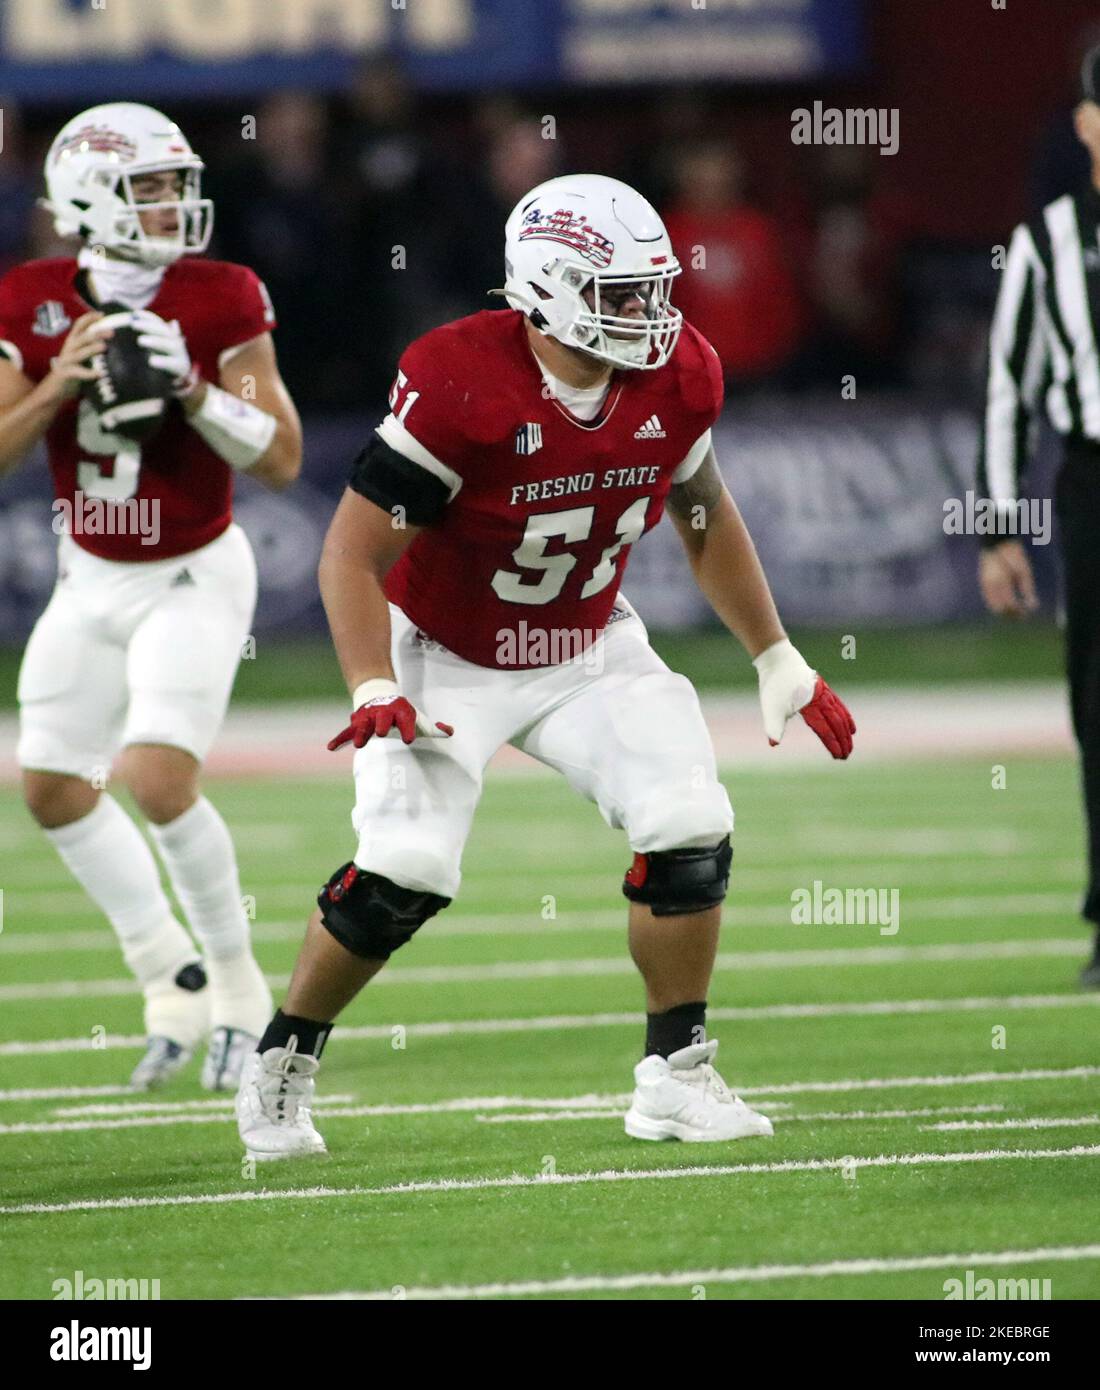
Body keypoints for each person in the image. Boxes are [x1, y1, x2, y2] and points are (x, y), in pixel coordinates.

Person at [235, 174, 855, 1161]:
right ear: (550, 288)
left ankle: (674, 1076)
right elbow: (349, 554)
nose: (649, 316)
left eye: (654, 290)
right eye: (620, 294)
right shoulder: (460, 382)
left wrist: (773, 652)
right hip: (443, 651)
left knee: (688, 822)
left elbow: (700, 510)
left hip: (586, 641)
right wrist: (372, 684)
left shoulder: (677, 372)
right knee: (404, 872)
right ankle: (283, 1059)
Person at [0, 102, 302, 1088]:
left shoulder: (222, 296)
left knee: (157, 778)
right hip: (89, 575)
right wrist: (57, 382)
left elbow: (284, 457)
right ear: (91, 197)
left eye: (178, 184)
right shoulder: (32, 299)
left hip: (190, 570)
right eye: (151, 187)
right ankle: (165, 970)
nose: (174, 203)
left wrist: (195, 394)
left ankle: (238, 988)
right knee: (49, 786)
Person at [976, 47, 1100, 988]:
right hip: (1093, 478)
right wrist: (999, 527)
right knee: (1097, 707)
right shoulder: (1049, 238)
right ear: (1087, 124)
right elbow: (1009, 392)